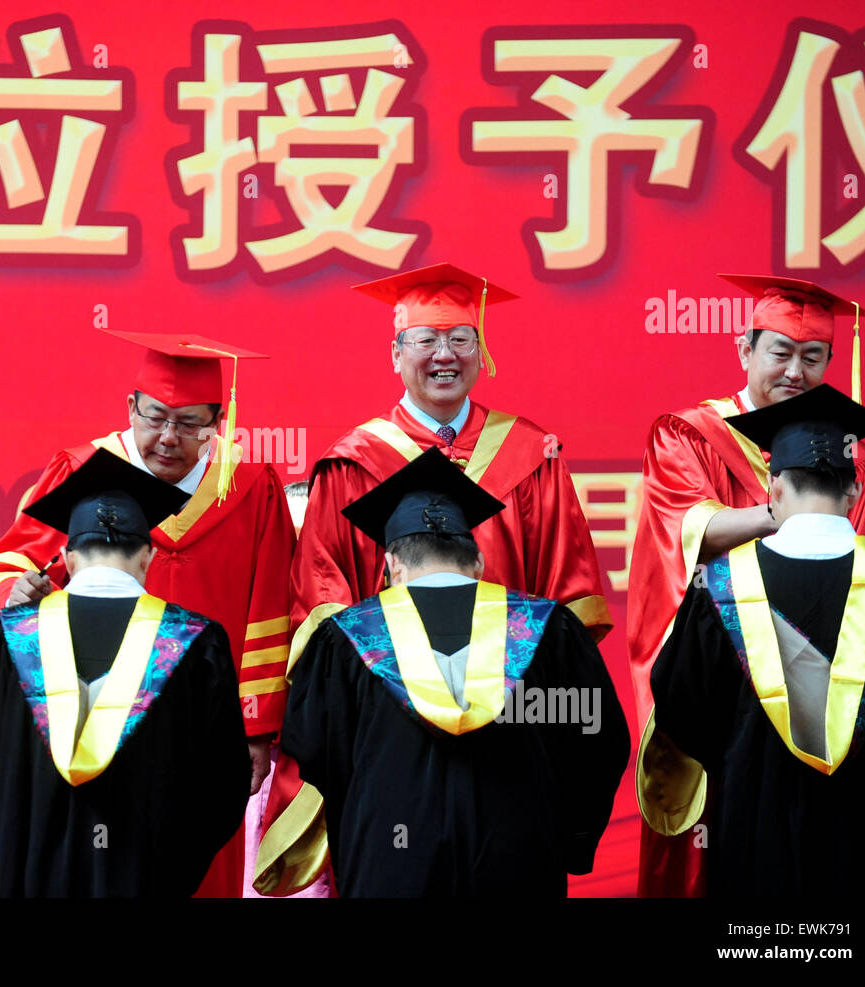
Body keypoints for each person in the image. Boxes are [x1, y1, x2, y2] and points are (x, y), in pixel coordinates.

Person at [256, 262, 611, 896]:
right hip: (390, 729)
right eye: (426, 339)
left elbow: (567, 598)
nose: (444, 355)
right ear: (396, 353)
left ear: (483, 352)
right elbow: (323, 596)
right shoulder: (353, 462)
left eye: (460, 338)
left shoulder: (531, 455)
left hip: (513, 730)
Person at [0, 331, 296, 896]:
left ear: (216, 422)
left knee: (196, 854)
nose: (169, 437)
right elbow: (5, 564)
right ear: (131, 408)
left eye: (189, 422)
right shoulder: (84, 473)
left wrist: (254, 725)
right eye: (155, 417)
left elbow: (270, 608)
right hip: (82, 711)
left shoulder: (248, 487)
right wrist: (13, 593)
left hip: (197, 725)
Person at [629, 275, 865, 897]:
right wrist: (796, 515)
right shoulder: (688, 434)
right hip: (734, 685)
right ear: (743, 350)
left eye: (813, 356)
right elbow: (687, 527)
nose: (796, 371)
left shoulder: (857, 457)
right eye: (780, 352)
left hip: (836, 691)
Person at [279, 448, 628, 896]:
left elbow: (317, 750)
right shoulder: (549, 629)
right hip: (519, 860)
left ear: (392, 569)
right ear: (479, 564)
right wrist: (565, 837)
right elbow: (598, 745)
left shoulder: (347, 639)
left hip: (392, 860)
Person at [0, 449, 249, 896]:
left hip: (33, 872)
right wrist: (176, 868)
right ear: (148, 556)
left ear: (68, 559)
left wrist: (7, 855)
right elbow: (222, 784)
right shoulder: (195, 641)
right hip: (147, 875)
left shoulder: (15, 636)